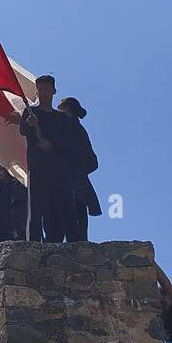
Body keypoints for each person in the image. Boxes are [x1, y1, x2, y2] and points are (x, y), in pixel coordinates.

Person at [4, 73, 75, 243]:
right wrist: (29, 124)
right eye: (40, 89)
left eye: (47, 89)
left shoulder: (61, 117)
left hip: (58, 169)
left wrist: (51, 145)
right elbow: (23, 130)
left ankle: (72, 243)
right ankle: (33, 244)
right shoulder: (31, 113)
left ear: (53, 91)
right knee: (36, 208)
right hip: (37, 168)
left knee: (64, 207)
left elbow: (67, 141)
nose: (43, 92)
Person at [56, 96, 101, 243]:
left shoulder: (69, 126)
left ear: (67, 109)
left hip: (70, 180)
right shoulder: (78, 129)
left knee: (68, 219)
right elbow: (92, 162)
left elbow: (91, 160)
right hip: (76, 181)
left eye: (60, 107)